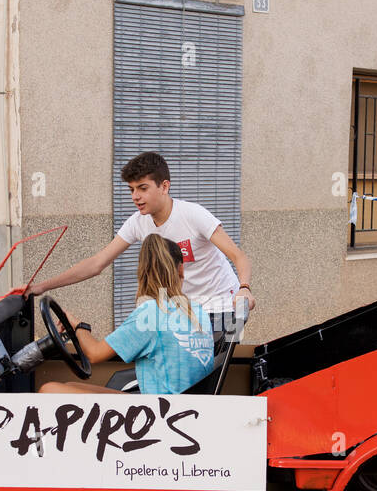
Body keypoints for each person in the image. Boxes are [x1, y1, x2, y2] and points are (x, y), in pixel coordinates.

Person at [28, 151, 255, 315]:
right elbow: (97, 263)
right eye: (132, 189)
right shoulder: (138, 223)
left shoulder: (193, 214)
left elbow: (238, 256)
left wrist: (244, 289)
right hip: (185, 308)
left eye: (142, 188)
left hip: (223, 305)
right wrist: (41, 287)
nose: (135, 196)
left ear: (164, 187)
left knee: (209, 372)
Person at [39, 236, 213, 395]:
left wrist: (76, 326)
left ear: (141, 272)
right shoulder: (198, 311)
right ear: (181, 269)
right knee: (69, 386)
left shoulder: (151, 313)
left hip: (158, 411)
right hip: (188, 406)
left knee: (49, 390)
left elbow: (94, 354)